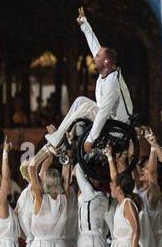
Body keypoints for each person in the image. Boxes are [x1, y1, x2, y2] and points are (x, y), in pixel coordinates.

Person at [33, 8, 134, 165]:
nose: (94, 58)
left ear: (106, 62)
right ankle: (62, 136)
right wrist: (84, 24)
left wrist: (90, 140)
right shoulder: (106, 70)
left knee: (86, 106)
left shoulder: (113, 83)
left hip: (117, 128)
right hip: (108, 119)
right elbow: (95, 46)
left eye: (98, 57)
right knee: (80, 100)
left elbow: (103, 113)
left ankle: (61, 140)